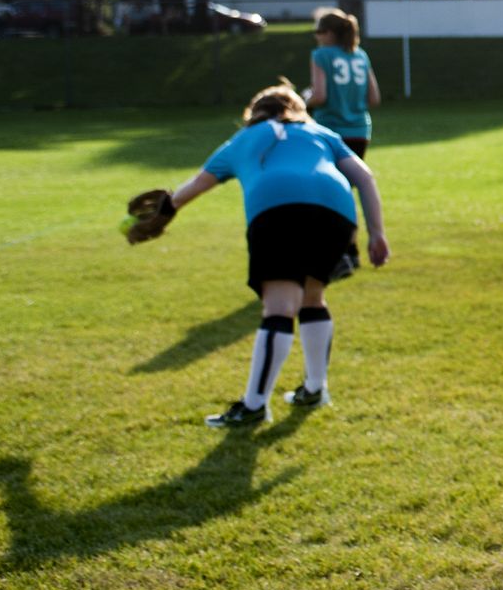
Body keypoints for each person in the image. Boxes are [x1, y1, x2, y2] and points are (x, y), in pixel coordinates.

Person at [158, 80, 390, 427]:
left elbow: (194, 186)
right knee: (313, 297)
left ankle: (254, 406)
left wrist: (163, 214)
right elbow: (365, 177)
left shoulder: (245, 138)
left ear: (254, 114)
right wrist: (377, 233)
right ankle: (315, 388)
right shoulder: (319, 132)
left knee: (279, 307)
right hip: (336, 211)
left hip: (278, 208)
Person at [307, 7, 381, 158]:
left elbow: (320, 96)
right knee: (349, 181)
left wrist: (304, 102)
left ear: (329, 33)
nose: (316, 37)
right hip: (360, 130)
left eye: (318, 32)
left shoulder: (321, 54)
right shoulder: (360, 55)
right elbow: (374, 99)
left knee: (327, 180)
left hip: (329, 128)